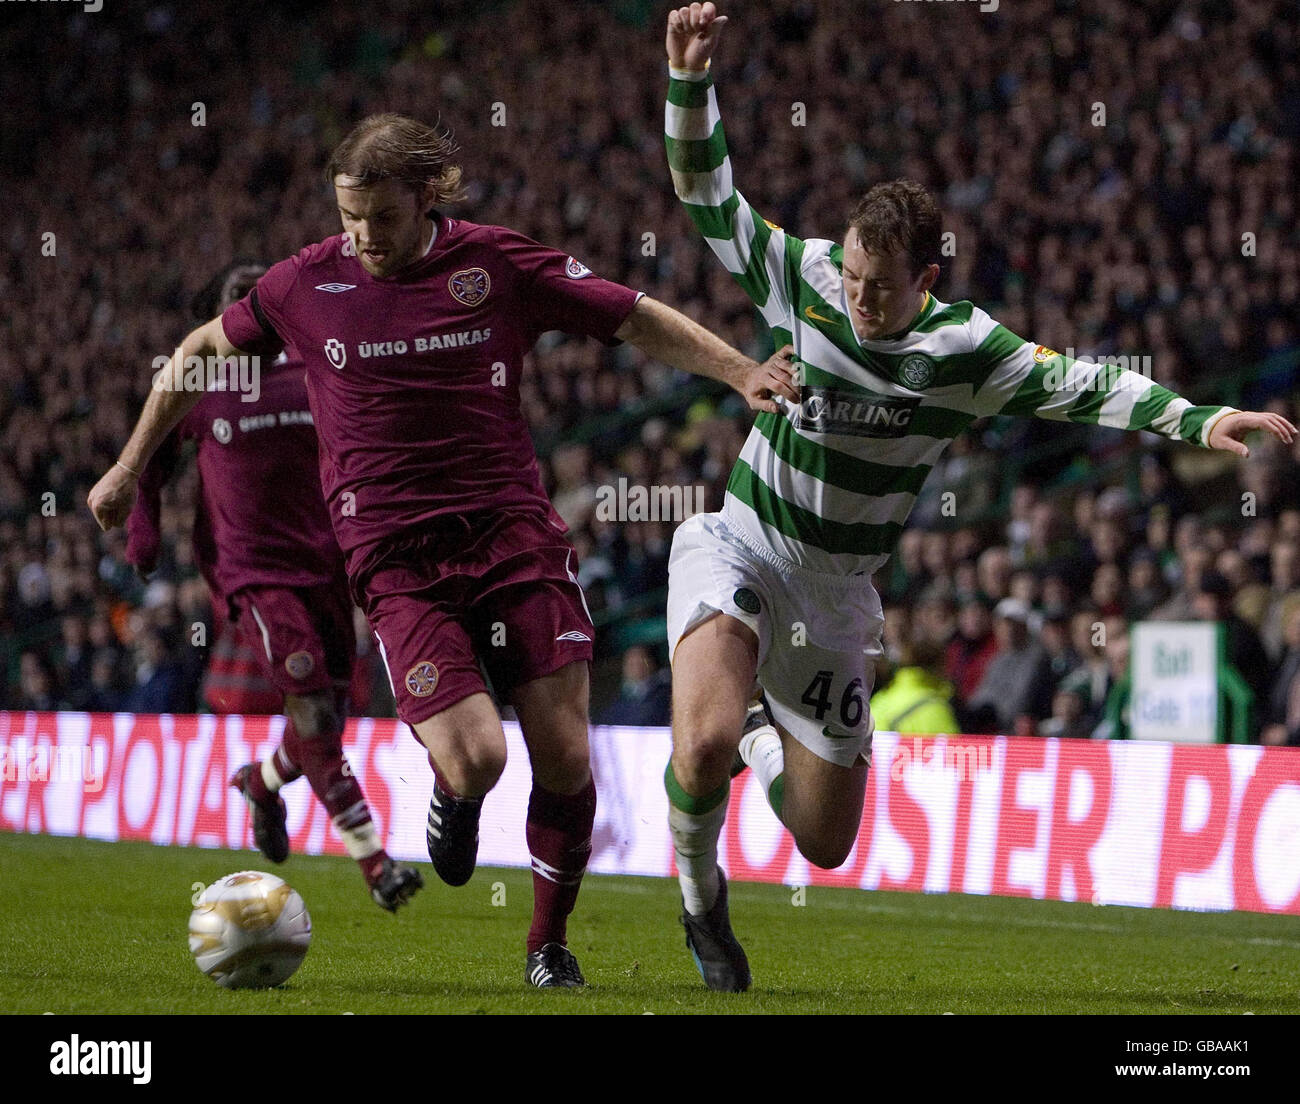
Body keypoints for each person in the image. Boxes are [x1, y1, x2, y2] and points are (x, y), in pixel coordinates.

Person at [660, 2, 1296, 991]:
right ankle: (701, 905)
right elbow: (708, 196)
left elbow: (1086, 384)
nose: (861, 301)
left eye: (882, 287)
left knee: (825, 844)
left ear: (925, 278)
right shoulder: (805, 278)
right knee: (698, 747)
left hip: (836, 594)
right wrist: (689, 80)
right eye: (855, 277)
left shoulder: (965, 349)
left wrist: (1193, 418)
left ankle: (759, 731)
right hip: (741, 546)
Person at [88, 112, 796, 989]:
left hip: (513, 539)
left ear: (426, 197)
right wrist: (128, 468)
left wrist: (739, 372)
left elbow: (631, 314)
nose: (363, 237)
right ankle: (454, 798)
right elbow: (198, 352)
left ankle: (547, 945)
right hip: (395, 559)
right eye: (350, 217)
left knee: (566, 757)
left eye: (380, 217)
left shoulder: (494, 264)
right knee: (478, 759)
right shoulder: (305, 283)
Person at [124, 260, 423, 914]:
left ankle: (260, 784)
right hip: (252, 574)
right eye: (236, 292)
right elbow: (149, 463)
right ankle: (375, 862)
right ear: (217, 313)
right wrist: (142, 534)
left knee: (324, 720)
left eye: (258, 291)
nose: (249, 299)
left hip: (328, 569)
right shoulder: (196, 383)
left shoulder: (315, 369)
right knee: (314, 708)